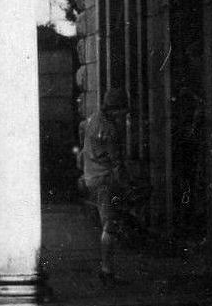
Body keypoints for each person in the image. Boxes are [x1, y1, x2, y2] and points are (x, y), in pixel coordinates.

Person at [82, 89, 128, 283]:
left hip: (91, 176)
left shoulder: (92, 119)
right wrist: (126, 182)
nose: (124, 116)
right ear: (115, 110)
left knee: (107, 223)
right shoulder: (108, 129)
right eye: (122, 112)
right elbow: (115, 159)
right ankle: (107, 270)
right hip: (104, 179)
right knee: (110, 225)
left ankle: (107, 269)